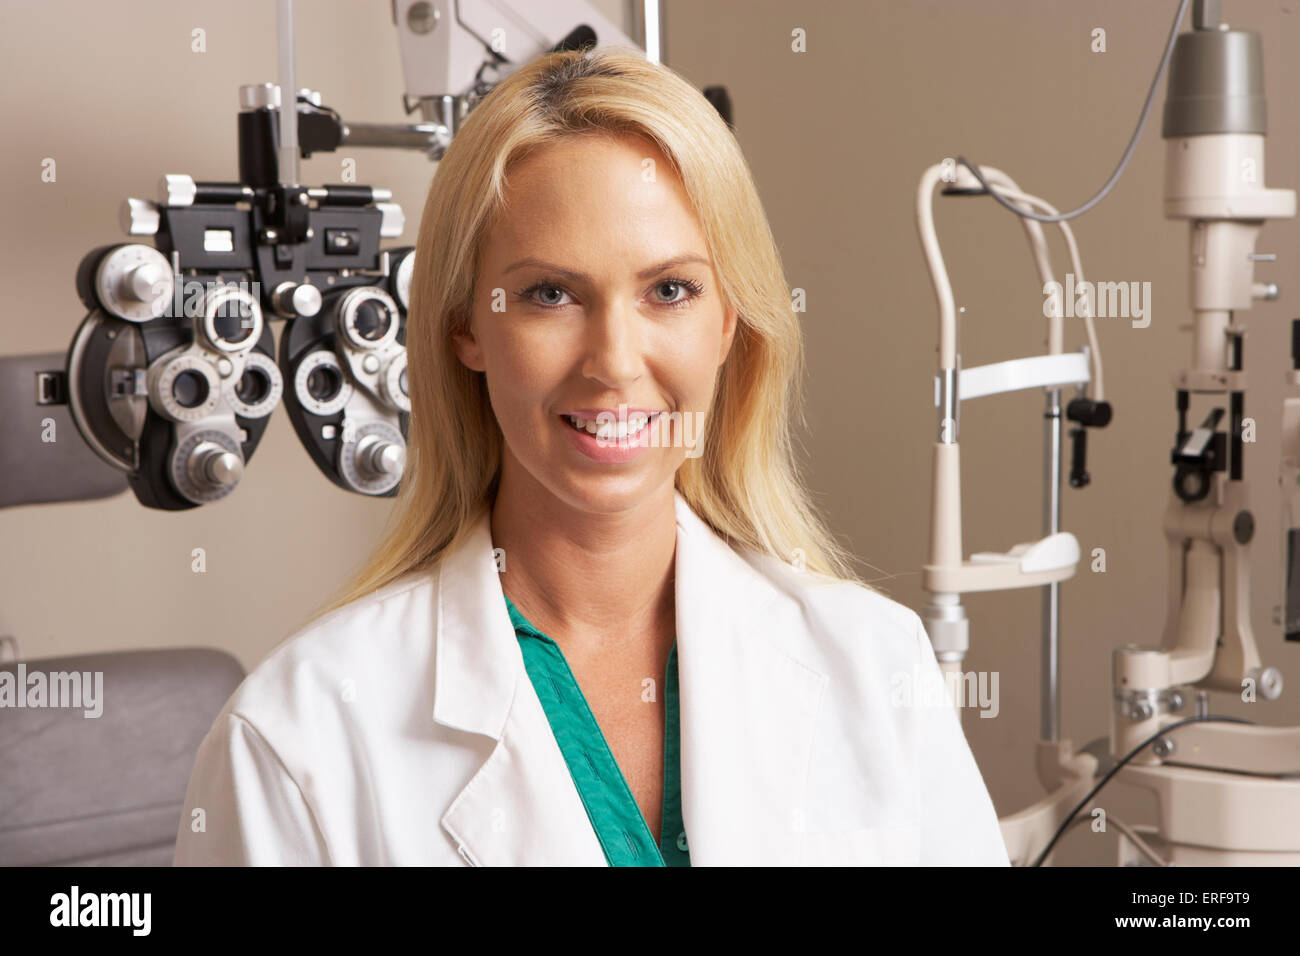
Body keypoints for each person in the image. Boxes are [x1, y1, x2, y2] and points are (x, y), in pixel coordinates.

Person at [173, 46, 1009, 866]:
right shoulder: (296, 737)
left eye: (670, 290)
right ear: (466, 324)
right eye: (550, 294)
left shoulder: (873, 665)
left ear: (729, 321)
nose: (613, 361)